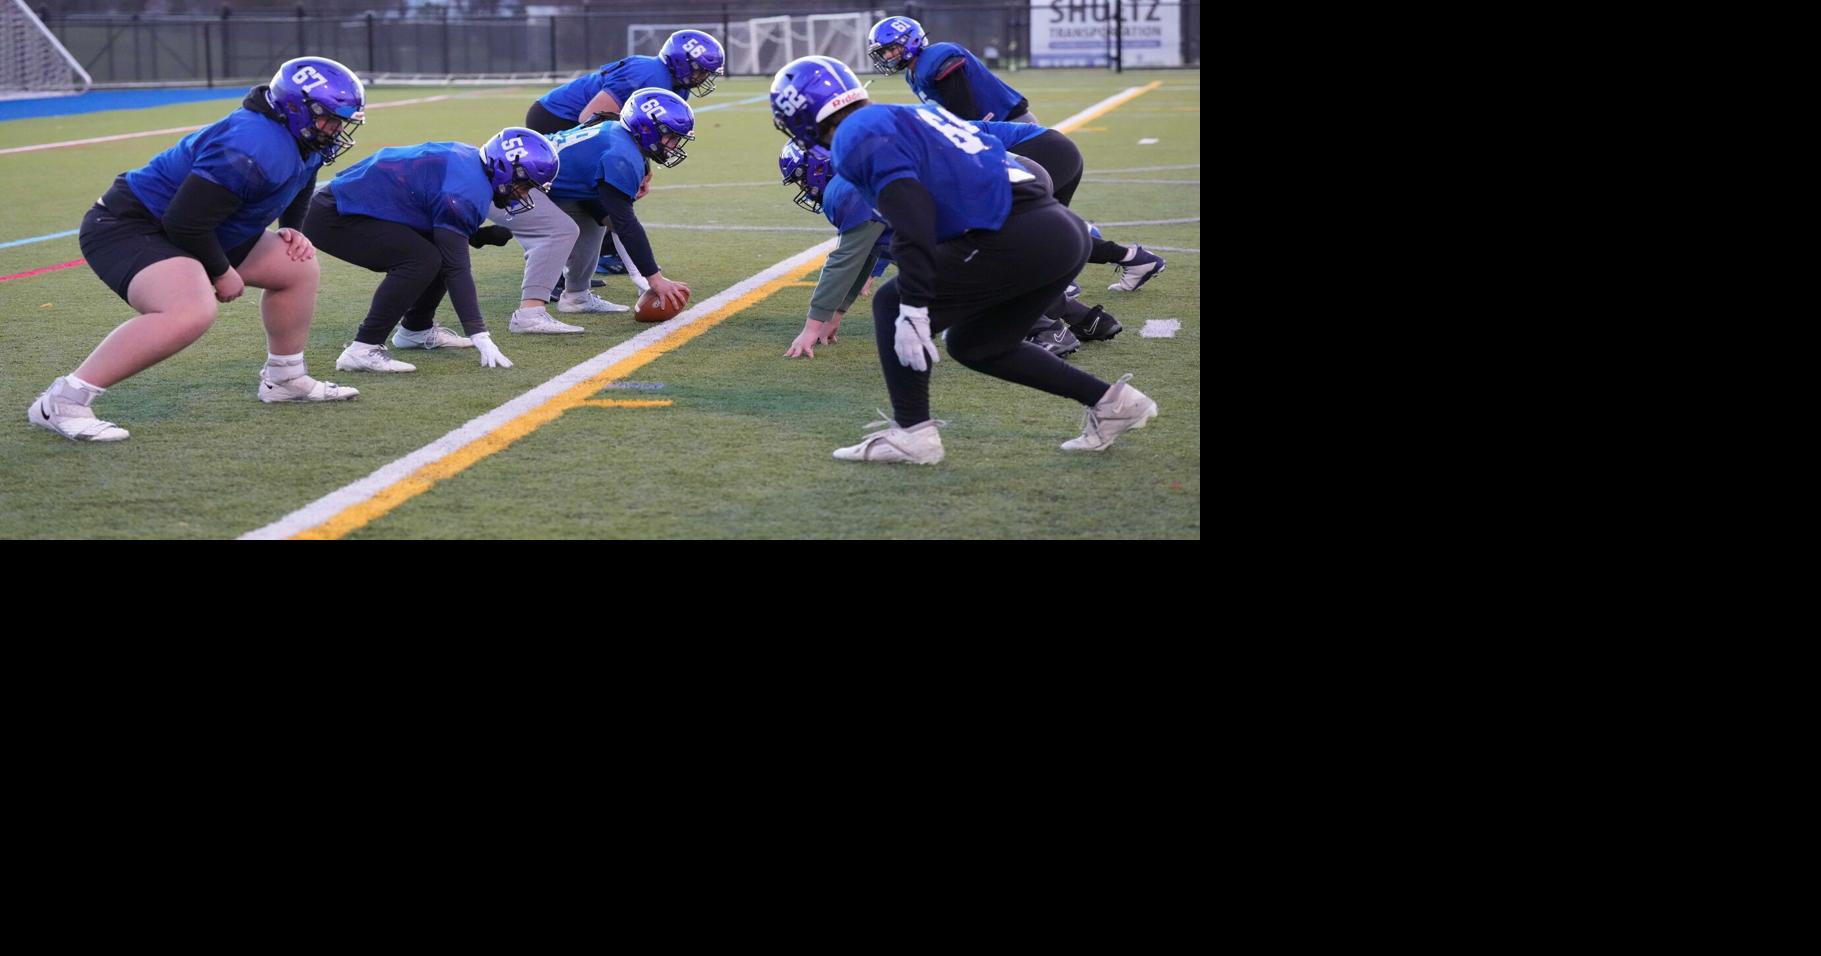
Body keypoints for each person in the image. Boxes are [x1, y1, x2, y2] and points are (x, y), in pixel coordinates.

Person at [769, 56, 1158, 463]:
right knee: (977, 345)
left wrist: (915, 305)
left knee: (891, 302)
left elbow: (912, 216)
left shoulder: (855, 134)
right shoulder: (905, 113)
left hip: (1016, 231)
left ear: (800, 113)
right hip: (1059, 230)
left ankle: (912, 433)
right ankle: (1113, 403)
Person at [28, 56, 366, 443]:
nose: (336, 128)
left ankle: (285, 378)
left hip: (203, 225)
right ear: (296, 108)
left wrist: (291, 229)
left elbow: (302, 181)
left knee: (297, 265)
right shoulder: (253, 144)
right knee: (190, 311)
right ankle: (64, 401)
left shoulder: (300, 137)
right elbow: (184, 222)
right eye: (329, 117)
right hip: (135, 224)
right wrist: (222, 272)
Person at [304, 128, 560, 373]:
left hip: (357, 205)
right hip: (334, 215)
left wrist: (478, 235)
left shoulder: (472, 162)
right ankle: (363, 348)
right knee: (422, 260)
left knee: (432, 253)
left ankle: (416, 329)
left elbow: (431, 210)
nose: (523, 195)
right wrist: (479, 333)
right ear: (506, 169)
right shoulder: (467, 191)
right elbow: (456, 267)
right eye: (525, 186)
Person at [512, 89, 694, 333]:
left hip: (543, 184)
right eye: (671, 136)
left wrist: (645, 275)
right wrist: (654, 278)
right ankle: (528, 314)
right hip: (513, 183)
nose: (674, 145)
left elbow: (611, 217)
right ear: (648, 129)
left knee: (595, 222)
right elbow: (625, 222)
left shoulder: (619, 134)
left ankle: (576, 297)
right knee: (561, 231)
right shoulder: (621, 155)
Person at [526, 30, 725, 134]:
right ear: (681, 63)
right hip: (555, 117)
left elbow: (647, 133)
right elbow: (591, 119)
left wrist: (643, 167)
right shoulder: (647, 75)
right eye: (701, 71)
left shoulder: (679, 89)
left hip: (577, 119)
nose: (704, 78)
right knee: (591, 180)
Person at [867, 16, 1032, 123]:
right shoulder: (912, 74)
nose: (888, 56)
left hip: (1012, 125)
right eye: (883, 53)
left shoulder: (936, 59)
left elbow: (964, 112)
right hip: (993, 130)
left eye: (891, 49)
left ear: (911, 40)